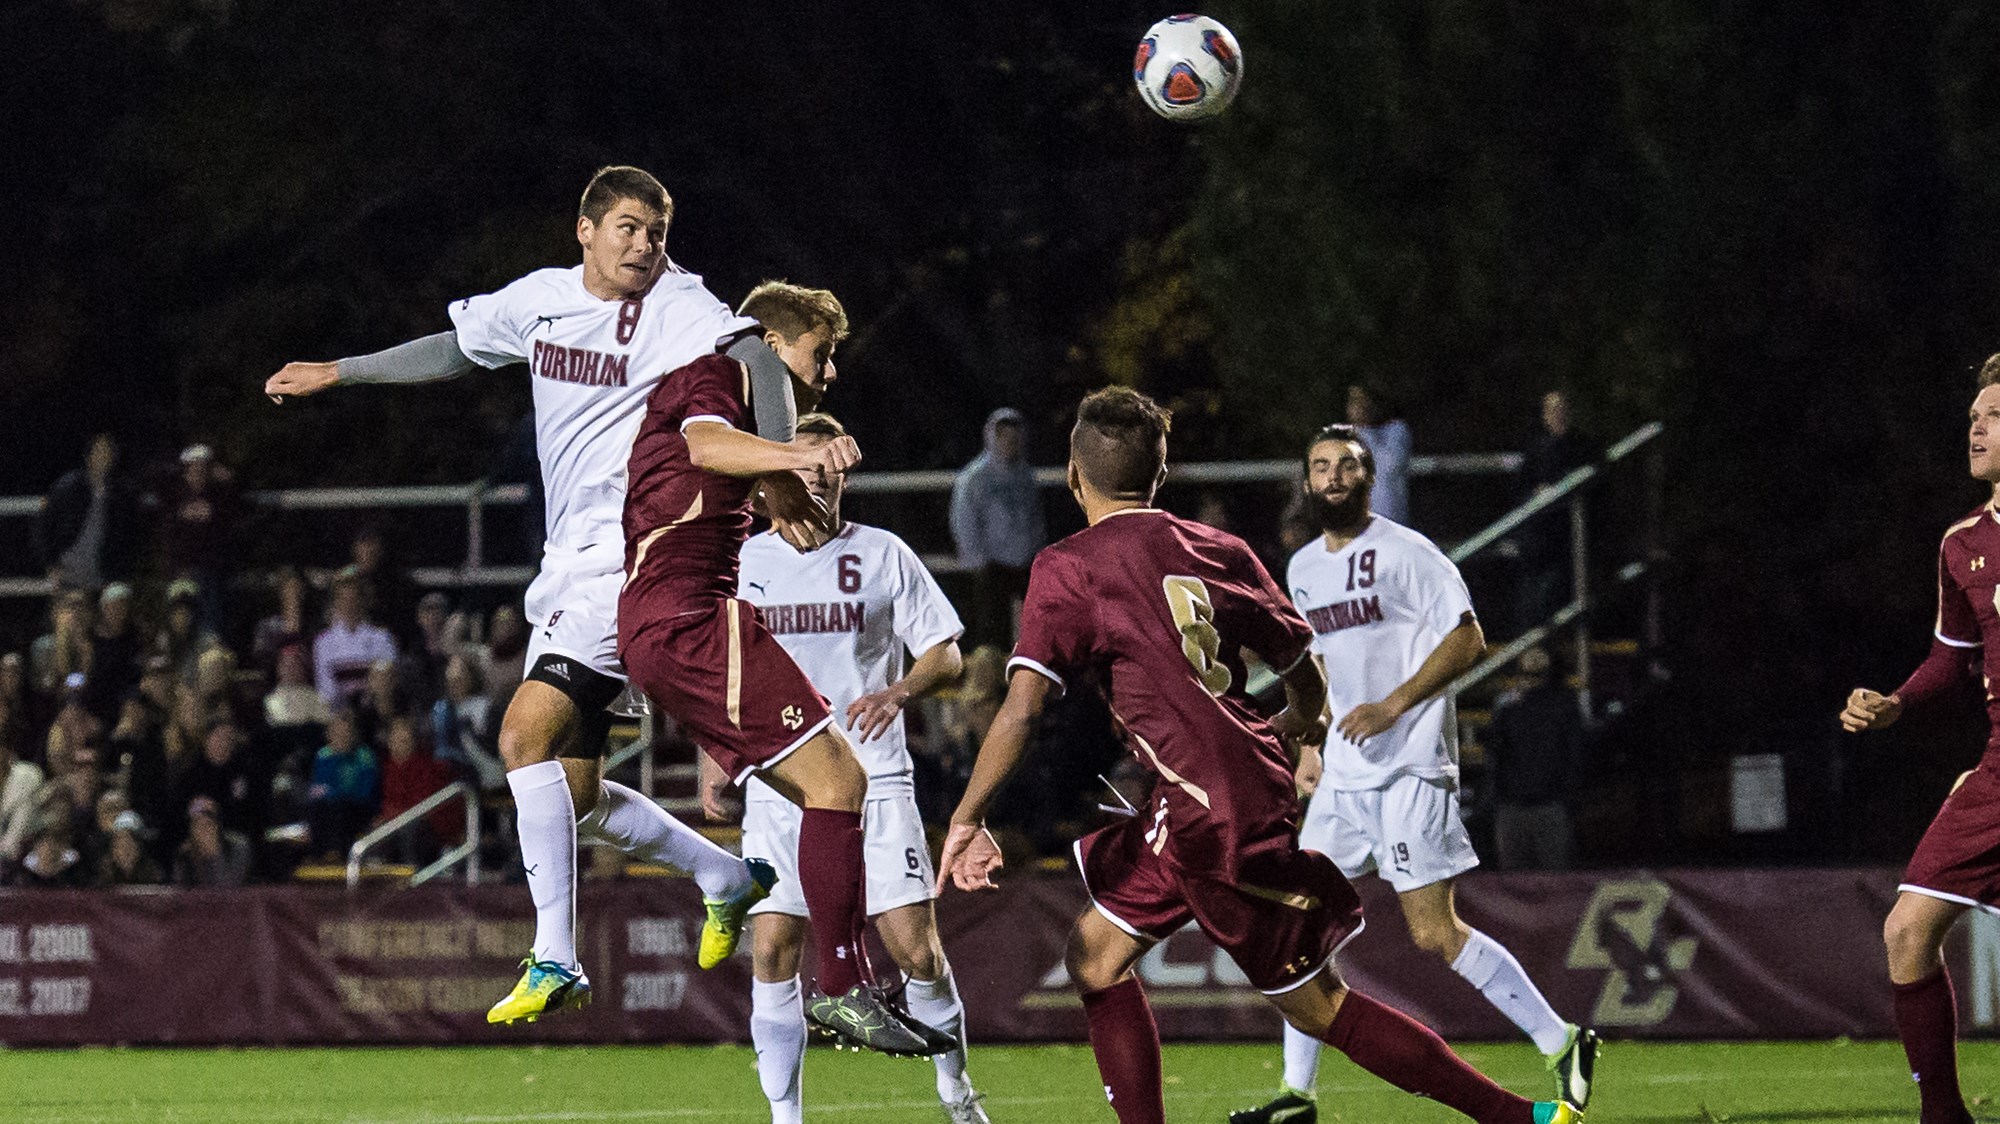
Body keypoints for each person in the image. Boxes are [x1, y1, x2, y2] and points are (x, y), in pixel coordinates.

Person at [937, 388, 1581, 1124]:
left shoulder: (1067, 567)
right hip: (1219, 791)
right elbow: (1305, 668)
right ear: (1161, 474)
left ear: (1075, 479)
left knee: (1319, 1007)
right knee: (1094, 954)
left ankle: (1520, 1119)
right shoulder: (1221, 549)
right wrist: (1299, 721)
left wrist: (965, 816)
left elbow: (1022, 707)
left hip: (1209, 808)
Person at [264, 165, 788, 1026]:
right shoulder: (541, 299)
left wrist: (778, 461)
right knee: (571, 796)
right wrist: (339, 371)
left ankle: (555, 958)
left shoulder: (680, 304)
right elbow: (452, 347)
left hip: (636, 556)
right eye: (626, 227)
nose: (643, 245)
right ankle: (723, 874)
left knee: (520, 736)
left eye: (655, 231)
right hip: (569, 563)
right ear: (583, 229)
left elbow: (757, 353)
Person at [620, 281, 949, 1057]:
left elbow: (725, 465)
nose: (828, 374)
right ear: (773, 346)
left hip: (677, 621)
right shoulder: (721, 372)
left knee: (831, 785)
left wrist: (779, 478)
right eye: (821, 354)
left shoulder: (742, 402)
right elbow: (705, 445)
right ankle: (837, 984)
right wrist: (797, 453)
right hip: (687, 618)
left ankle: (770, 919)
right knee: (839, 784)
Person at [1235, 424, 1596, 1124]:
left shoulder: (1407, 553)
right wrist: (1310, 746)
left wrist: (1394, 705)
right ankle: (1297, 1095)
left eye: (1346, 466)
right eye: (1321, 467)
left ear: (1369, 479)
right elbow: (1317, 669)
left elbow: (1468, 637)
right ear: (1306, 484)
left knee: (1434, 934)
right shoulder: (1303, 567)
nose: (1333, 477)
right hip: (1342, 776)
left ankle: (1565, 1040)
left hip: (1408, 767)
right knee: (1293, 922)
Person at [724, 412, 986, 1122]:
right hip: (779, 784)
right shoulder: (745, 564)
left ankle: (957, 1095)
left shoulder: (882, 553)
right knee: (774, 947)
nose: (818, 479)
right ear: (774, 477)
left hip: (873, 775)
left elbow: (948, 652)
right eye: (803, 467)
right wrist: (717, 759)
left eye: (828, 468)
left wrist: (900, 689)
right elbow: (720, 673)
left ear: (844, 475)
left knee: (916, 950)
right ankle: (785, 1119)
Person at [1839, 377, 2000, 1124]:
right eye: (1973, 416)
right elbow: (1951, 656)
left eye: (1996, 416)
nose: (1977, 429)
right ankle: (1943, 1116)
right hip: (1999, 771)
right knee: (1906, 929)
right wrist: (1896, 703)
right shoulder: (1962, 542)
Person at [949, 406, 1045, 647]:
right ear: (992, 436)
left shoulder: (1024, 474)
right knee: (992, 630)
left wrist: (1037, 550)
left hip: (1025, 562)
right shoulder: (974, 476)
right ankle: (993, 680)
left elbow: (1035, 516)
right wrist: (977, 560)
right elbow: (965, 520)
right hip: (991, 565)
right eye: (1004, 435)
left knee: (1035, 626)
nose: (1011, 441)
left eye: (1016, 435)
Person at [1486, 646, 1586, 870]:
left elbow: (1573, 754)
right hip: (1515, 806)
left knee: (1553, 880)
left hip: (1548, 805)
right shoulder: (1508, 707)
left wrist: (1566, 797)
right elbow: (1496, 754)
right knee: (1515, 882)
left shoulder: (1563, 705)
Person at [35, 432, 142, 591]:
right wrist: (50, 564)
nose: (103, 456)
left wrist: (119, 573)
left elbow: (127, 537)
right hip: (67, 574)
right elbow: (43, 526)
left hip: (102, 578)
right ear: (88, 455)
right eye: (98, 450)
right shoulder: (68, 487)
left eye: (107, 451)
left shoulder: (121, 494)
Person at [313, 567, 399, 708]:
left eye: (353, 599)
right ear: (336, 603)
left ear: (362, 601)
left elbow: (386, 684)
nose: (348, 605)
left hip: (373, 711)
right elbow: (325, 689)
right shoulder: (323, 642)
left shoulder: (382, 638)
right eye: (343, 599)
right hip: (338, 714)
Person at [1347, 384, 1412, 525]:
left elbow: (1389, 467)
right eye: (1354, 401)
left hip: (1391, 521)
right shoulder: (1347, 436)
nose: (1359, 406)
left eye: (1363, 401)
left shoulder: (1396, 430)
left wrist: (1363, 429)